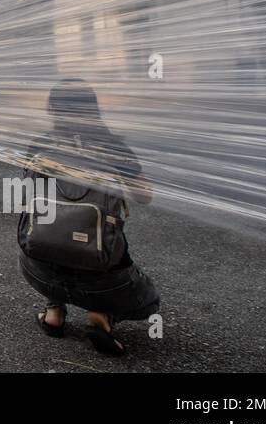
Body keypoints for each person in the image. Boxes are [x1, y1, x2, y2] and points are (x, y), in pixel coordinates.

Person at [18, 79, 161, 356]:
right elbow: (145, 196)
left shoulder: (40, 146)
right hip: (102, 273)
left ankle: (54, 312)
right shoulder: (112, 148)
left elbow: (26, 194)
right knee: (150, 302)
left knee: (53, 230)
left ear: (51, 108)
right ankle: (101, 315)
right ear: (94, 109)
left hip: (38, 269)